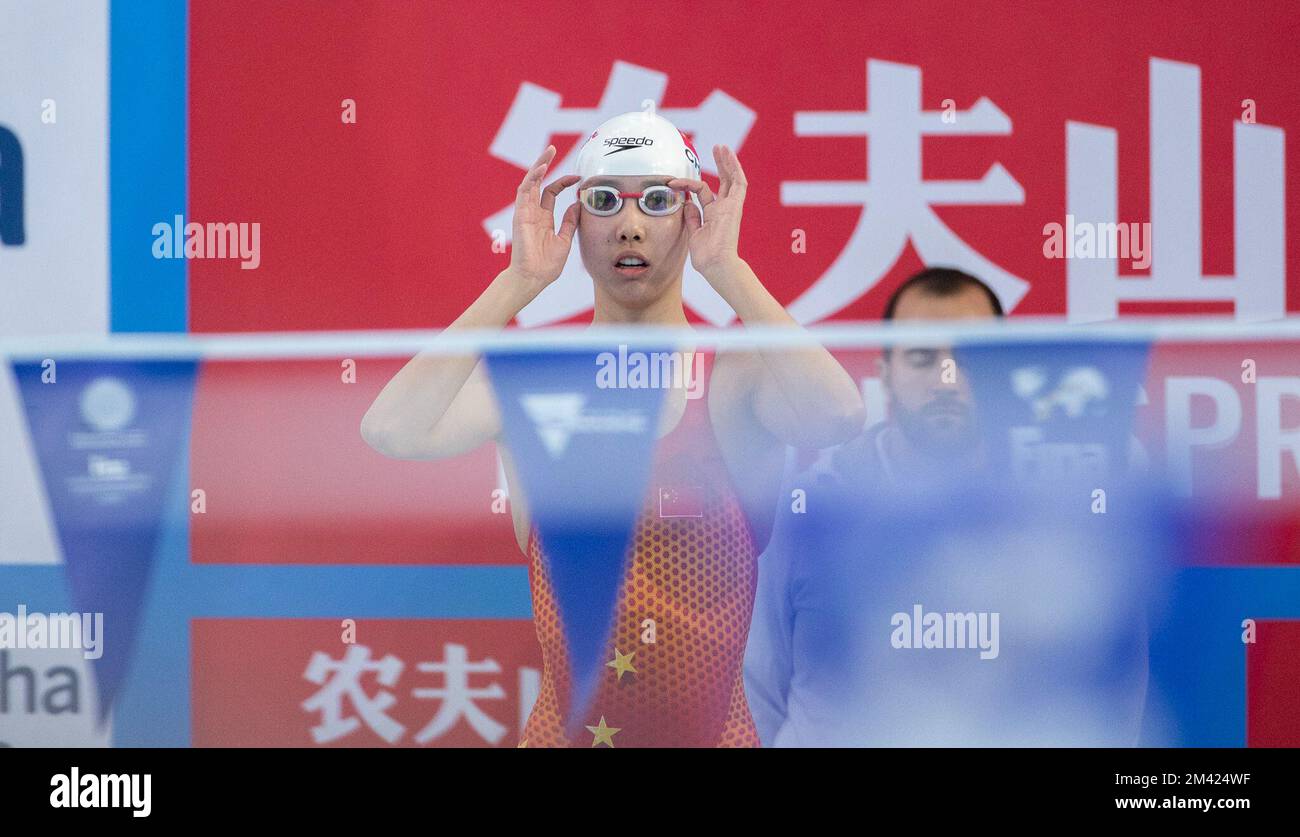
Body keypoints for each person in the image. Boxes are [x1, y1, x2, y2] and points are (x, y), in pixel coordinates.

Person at [361, 110, 864, 747]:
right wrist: (515, 285)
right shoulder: (534, 382)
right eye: (604, 202)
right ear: (577, 222)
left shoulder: (731, 376)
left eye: (658, 201)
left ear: (691, 215)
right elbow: (391, 430)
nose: (630, 226)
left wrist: (729, 272)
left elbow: (840, 415)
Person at [745, 267, 1152, 746]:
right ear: (886, 375)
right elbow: (758, 686)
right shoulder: (813, 507)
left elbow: (1109, 689)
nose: (946, 380)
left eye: (968, 358)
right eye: (922, 357)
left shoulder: (1060, 513)